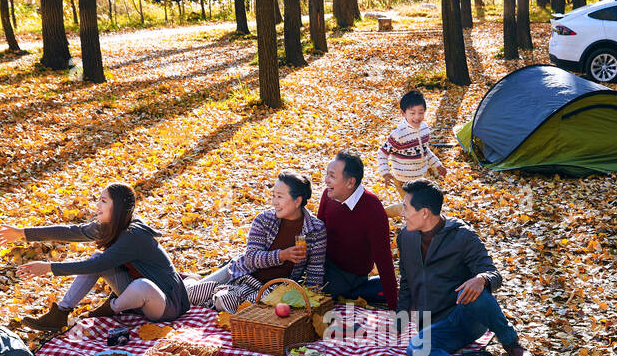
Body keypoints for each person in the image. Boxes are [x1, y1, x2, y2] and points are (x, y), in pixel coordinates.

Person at [0, 183, 189, 331]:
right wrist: (23, 232)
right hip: (140, 299)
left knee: (139, 284)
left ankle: (112, 307)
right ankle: (60, 314)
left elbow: (96, 264)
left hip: (166, 305)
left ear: (118, 207)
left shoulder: (133, 235)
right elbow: (70, 232)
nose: (97, 205)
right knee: (99, 261)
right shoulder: (111, 225)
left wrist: (49, 267)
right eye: (99, 199)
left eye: (104, 201)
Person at [396, 180, 534, 356]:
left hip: (464, 317)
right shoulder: (405, 237)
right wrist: (400, 318)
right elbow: (406, 282)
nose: (402, 214)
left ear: (424, 212)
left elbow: (493, 273)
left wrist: (481, 279)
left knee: (476, 289)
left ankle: (512, 344)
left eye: (405, 208)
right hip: (432, 324)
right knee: (415, 349)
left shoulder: (463, 236)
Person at [185, 172, 325, 313]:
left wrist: (312, 304)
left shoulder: (315, 229)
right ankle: (192, 280)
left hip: (271, 289)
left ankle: (221, 295)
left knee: (226, 303)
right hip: (239, 273)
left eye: (280, 197)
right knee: (188, 295)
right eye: (273, 196)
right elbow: (251, 259)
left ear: (297, 201)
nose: (274, 202)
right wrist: (282, 255)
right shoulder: (264, 220)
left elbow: (315, 271)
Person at [317, 151, 398, 308]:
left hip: (349, 274)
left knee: (317, 296)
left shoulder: (372, 209)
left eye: (332, 176)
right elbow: (318, 231)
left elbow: (384, 260)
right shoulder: (328, 195)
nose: (326, 180)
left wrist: (395, 306)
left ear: (350, 182)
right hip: (322, 262)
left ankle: (362, 290)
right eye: (327, 174)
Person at [376, 90, 446, 216]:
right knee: (413, 208)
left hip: (421, 177)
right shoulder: (399, 134)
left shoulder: (424, 129)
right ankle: (383, 213)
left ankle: (402, 216)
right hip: (403, 180)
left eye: (421, 112)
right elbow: (382, 153)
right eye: (412, 113)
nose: (417, 117)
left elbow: (425, 150)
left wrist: (437, 165)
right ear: (403, 113)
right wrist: (385, 173)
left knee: (422, 206)